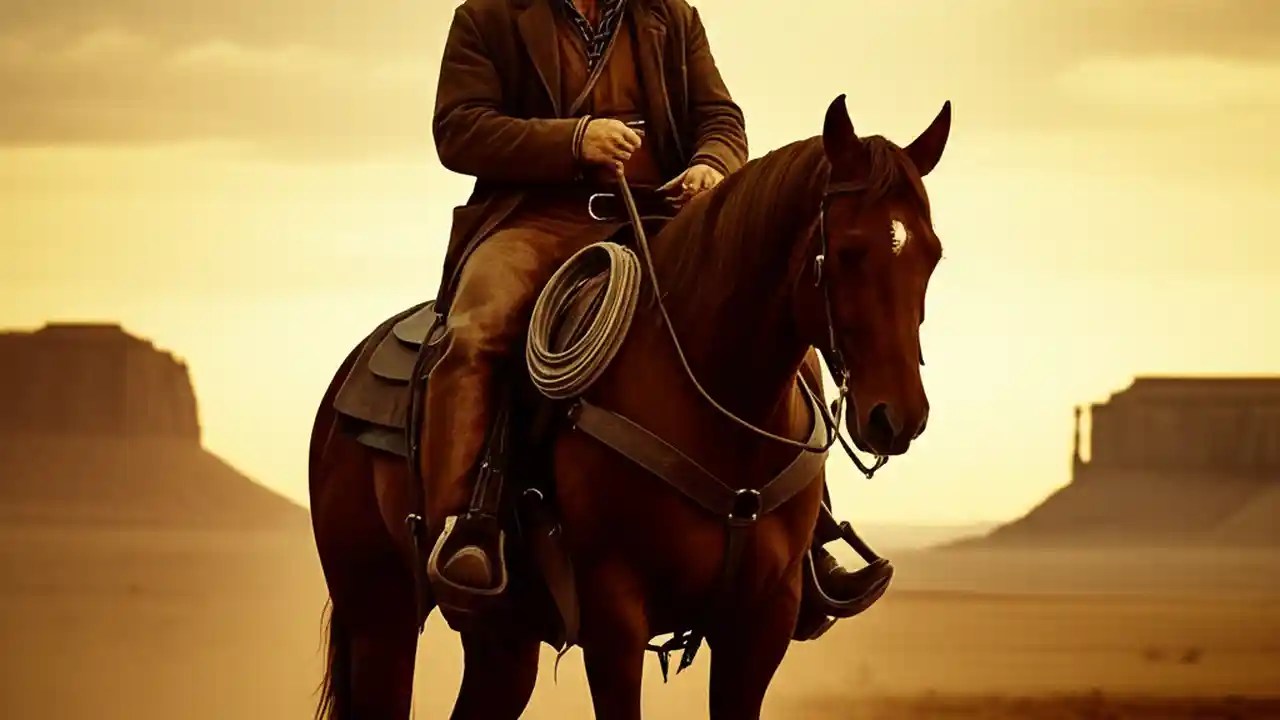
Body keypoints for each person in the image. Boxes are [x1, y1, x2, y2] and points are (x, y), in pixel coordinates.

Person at [424, 0, 888, 628]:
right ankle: (464, 527)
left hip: (659, 220)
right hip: (533, 219)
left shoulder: (672, 16)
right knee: (478, 328)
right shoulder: (489, 16)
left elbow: (719, 117)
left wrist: (710, 166)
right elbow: (460, 129)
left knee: (778, 325)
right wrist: (575, 139)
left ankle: (805, 541)